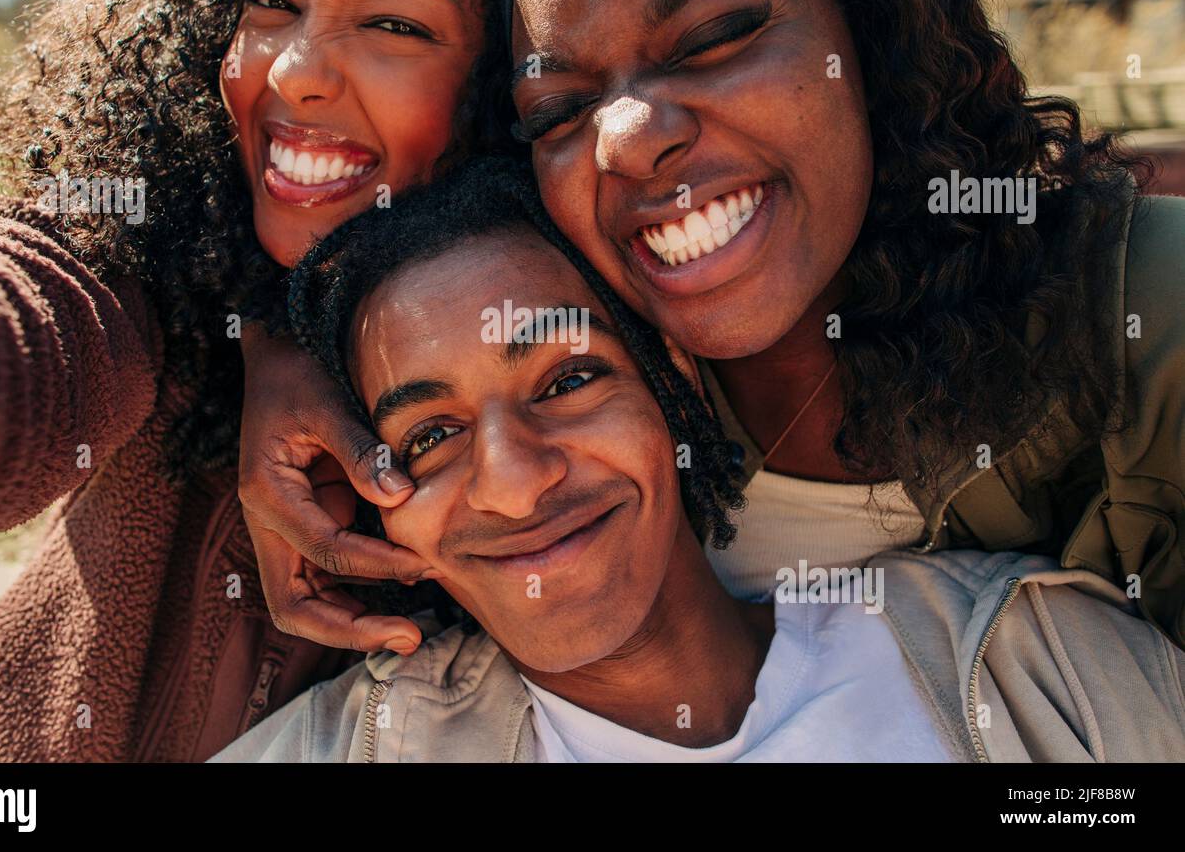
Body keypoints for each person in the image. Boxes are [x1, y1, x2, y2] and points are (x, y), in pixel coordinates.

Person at [243, 0, 1185, 658]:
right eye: (560, 109)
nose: (628, 138)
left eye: (715, 38)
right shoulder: (574, 369)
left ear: (868, 37)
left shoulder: (1145, 312)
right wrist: (268, 344)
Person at [215, 157, 1185, 763]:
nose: (512, 480)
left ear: (669, 380)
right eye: (426, 436)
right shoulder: (347, 748)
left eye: (564, 381)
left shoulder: (1035, 658)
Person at [0, 0, 512, 761]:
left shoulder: (598, 386)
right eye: (271, 2)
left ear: (513, 78)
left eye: (395, 22)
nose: (293, 72)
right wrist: (264, 321)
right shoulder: (151, 262)